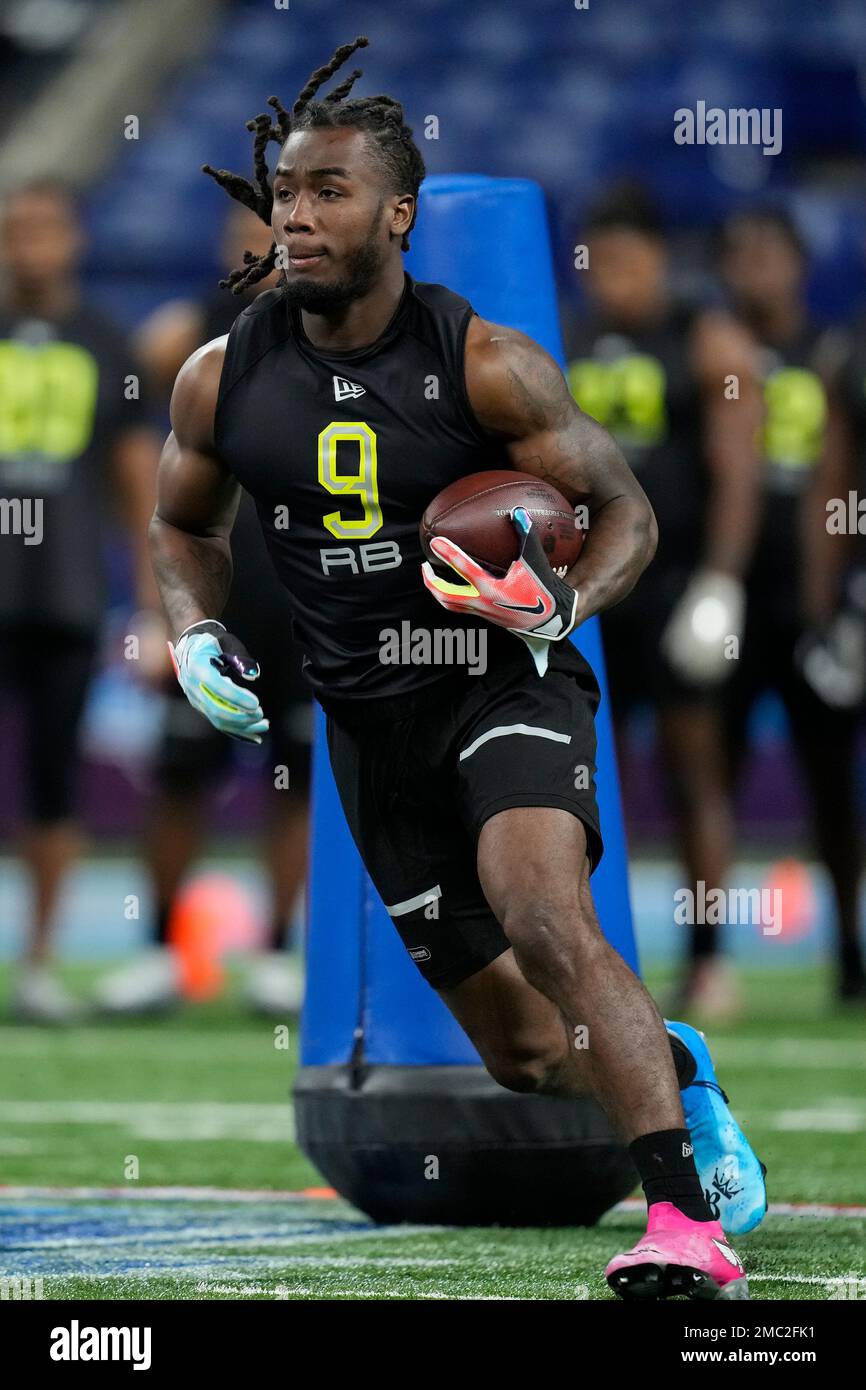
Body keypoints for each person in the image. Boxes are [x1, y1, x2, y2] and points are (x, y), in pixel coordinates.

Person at [149, 36, 766, 1298]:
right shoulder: (221, 376)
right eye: (285, 191)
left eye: (328, 191)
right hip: (370, 731)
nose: (295, 215)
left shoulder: (485, 361)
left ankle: (681, 1223)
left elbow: (625, 512)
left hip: (501, 680)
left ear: (399, 213)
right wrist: (192, 629)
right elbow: (181, 526)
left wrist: (562, 605)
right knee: (527, 1054)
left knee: (542, 907)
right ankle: (679, 1071)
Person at [93, 207, 311, 1018]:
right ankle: (158, 949)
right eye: (239, 236)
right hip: (209, 591)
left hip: (304, 593)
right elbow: (123, 414)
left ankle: (278, 953)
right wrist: (155, 610)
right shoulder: (192, 331)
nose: (256, 250)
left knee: (297, 778)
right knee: (181, 774)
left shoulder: (339, 331)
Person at [563, 182, 763, 1019]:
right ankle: (591, 958)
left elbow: (737, 472)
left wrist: (721, 582)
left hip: (674, 580)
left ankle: (709, 959)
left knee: (693, 774)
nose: (611, 278)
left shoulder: (704, 337)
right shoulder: (563, 337)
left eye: (626, 261)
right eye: (598, 262)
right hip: (589, 587)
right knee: (579, 779)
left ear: (657, 258)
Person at [0, 180, 161, 1022]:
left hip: (64, 593)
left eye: (44, 229)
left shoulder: (106, 341)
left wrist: (155, 607)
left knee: (54, 782)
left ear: (73, 239)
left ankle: (37, 965)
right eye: (16, 230)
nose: (30, 245)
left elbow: (138, 484)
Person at [719, 207, 865, 1003]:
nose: (757, 272)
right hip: (727, 601)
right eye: (742, 257)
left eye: (770, 256)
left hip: (808, 603)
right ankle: (711, 957)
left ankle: (848, 948)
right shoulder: (712, 350)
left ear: (801, 267)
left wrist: (830, 599)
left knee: (831, 781)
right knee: (712, 775)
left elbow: (842, 481)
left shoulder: (830, 355)